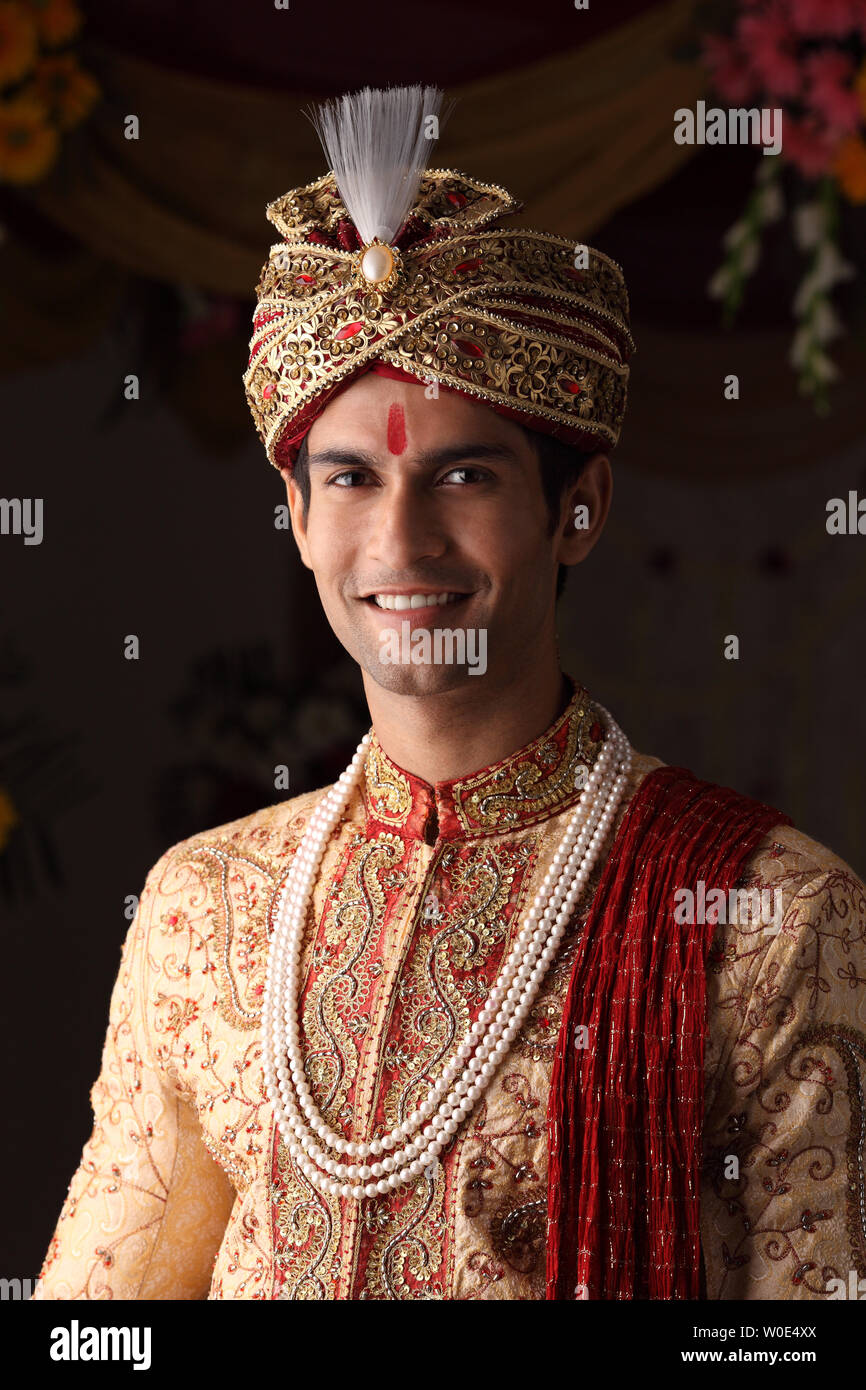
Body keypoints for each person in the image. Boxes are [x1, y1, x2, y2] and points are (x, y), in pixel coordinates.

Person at [34, 85, 866, 1302]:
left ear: (575, 510)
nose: (400, 542)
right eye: (352, 478)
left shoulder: (768, 919)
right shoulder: (201, 911)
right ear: (301, 519)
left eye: (462, 474)